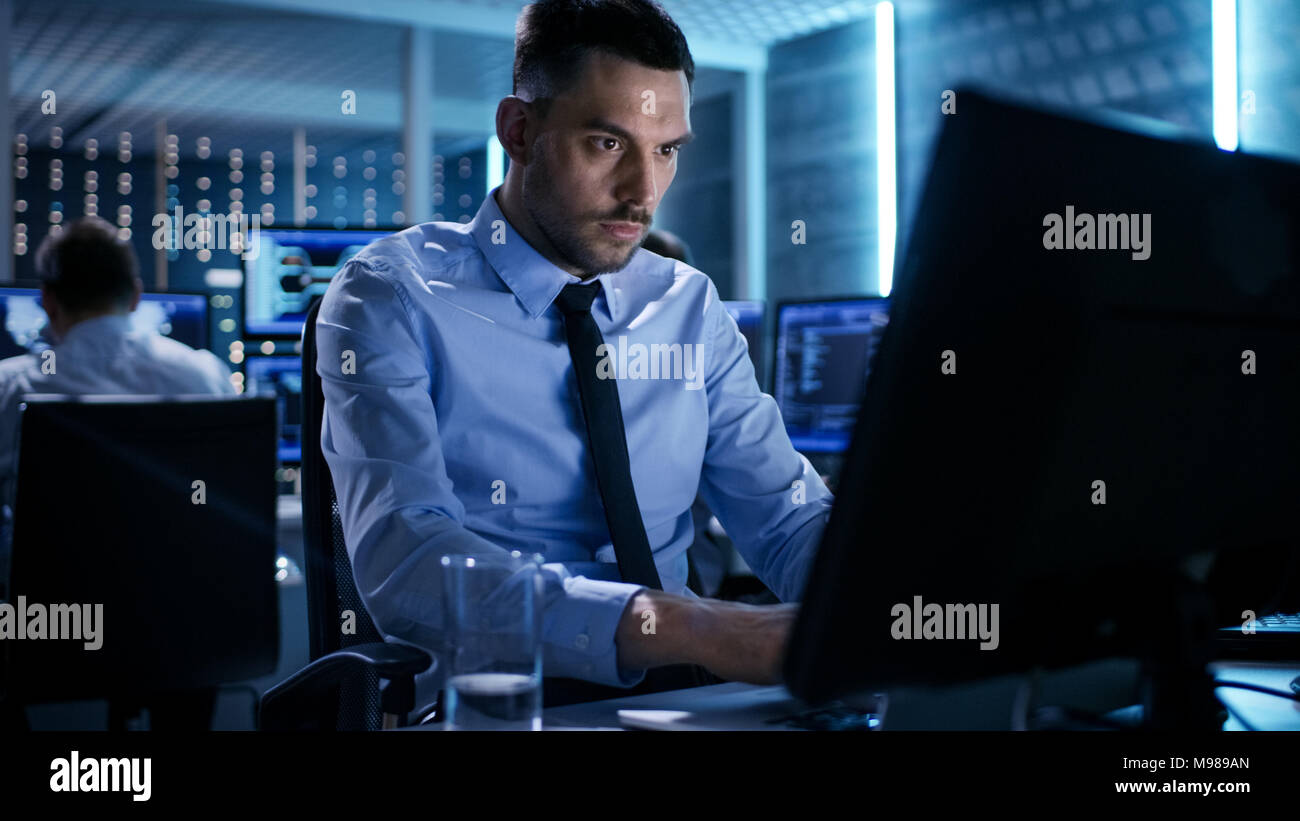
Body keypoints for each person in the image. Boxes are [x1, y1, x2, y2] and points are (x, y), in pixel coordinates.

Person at [317, 0, 833, 715]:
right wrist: (686, 623)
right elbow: (409, 558)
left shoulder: (687, 304)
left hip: (687, 702)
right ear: (520, 131)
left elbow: (783, 513)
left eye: (666, 149)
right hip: (506, 704)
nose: (643, 193)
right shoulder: (391, 295)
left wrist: (880, 597)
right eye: (607, 143)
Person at [0, 215, 235, 730]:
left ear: (47, 300)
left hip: (49, 635)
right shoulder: (204, 375)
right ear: (135, 294)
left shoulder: (11, 389)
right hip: (185, 636)